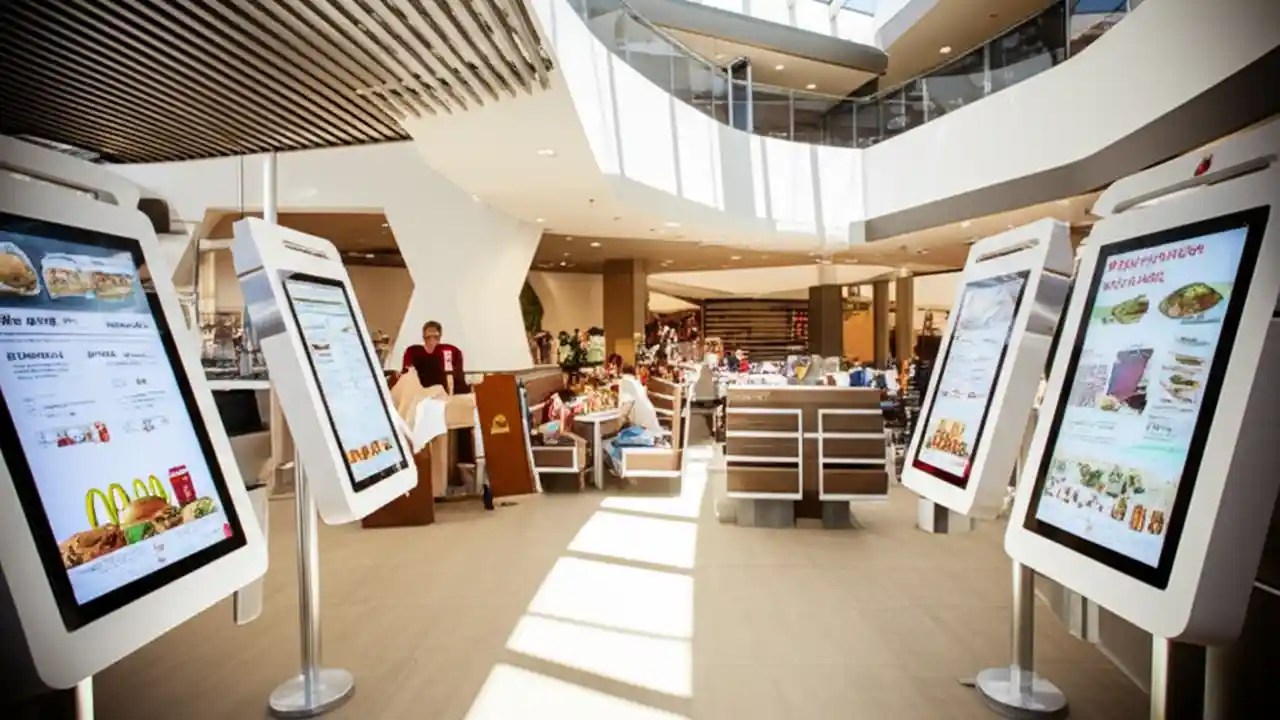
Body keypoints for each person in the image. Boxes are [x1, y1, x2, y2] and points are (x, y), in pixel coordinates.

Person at [401, 320, 467, 393]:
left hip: (443, 393)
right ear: (423, 337)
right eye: (428, 337)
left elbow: (455, 377)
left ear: (440, 336)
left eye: (435, 337)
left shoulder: (450, 351)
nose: (432, 341)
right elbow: (407, 374)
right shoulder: (413, 352)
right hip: (419, 393)